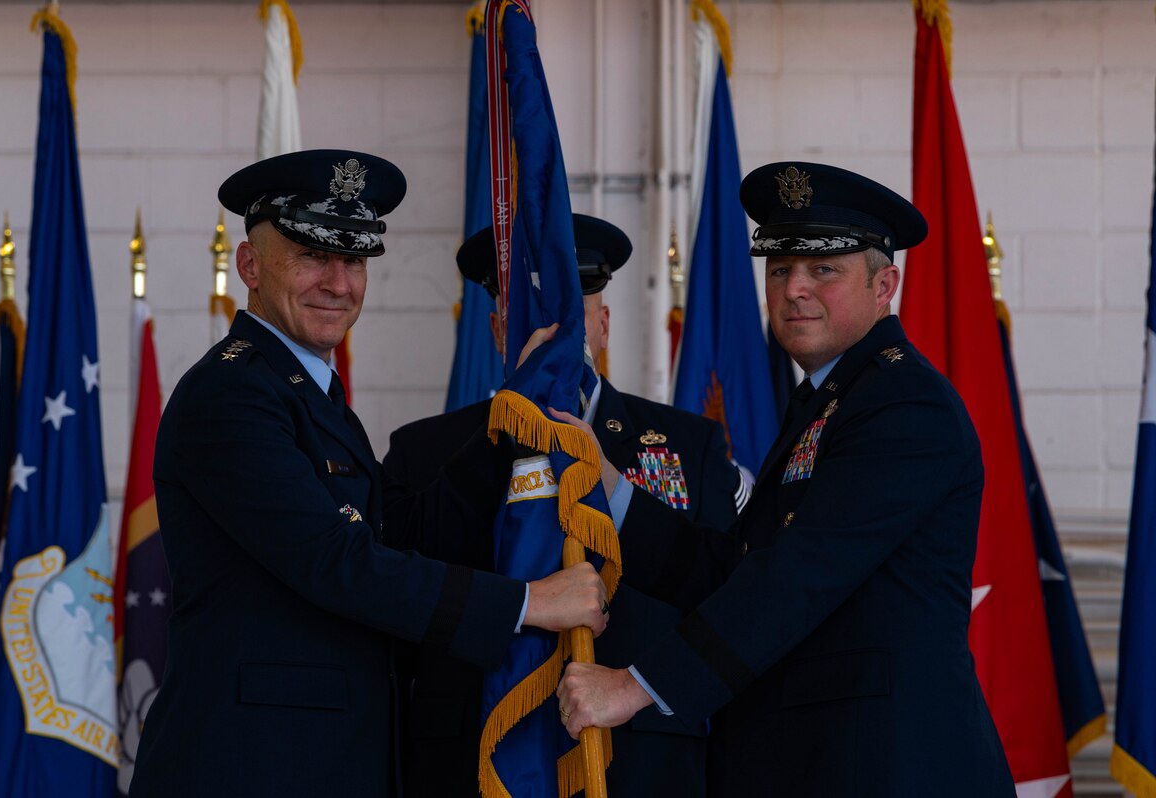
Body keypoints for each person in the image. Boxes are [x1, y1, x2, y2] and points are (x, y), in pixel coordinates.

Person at [128, 150, 608, 798]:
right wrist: (530, 603)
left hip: (326, 763)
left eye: (352, 260)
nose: (338, 282)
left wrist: (506, 424)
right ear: (249, 266)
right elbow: (339, 562)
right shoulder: (230, 394)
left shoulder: (308, 393)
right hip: (251, 767)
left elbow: (396, 535)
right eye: (310, 256)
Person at [555, 162, 1016, 796]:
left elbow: (799, 575)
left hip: (885, 767)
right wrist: (605, 484)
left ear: (886, 285)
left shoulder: (905, 404)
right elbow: (735, 568)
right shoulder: (830, 401)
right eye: (779, 269)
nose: (794, 288)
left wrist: (635, 687)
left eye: (823, 269)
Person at [382, 214, 746, 798]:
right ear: (501, 331)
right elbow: (399, 604)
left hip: (645, 765)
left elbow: (729, 601)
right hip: (475, 763)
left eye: (574, 314)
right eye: (532, 316)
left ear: (603, 323)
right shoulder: (424, 451)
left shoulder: (689, 445)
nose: (554, 333)